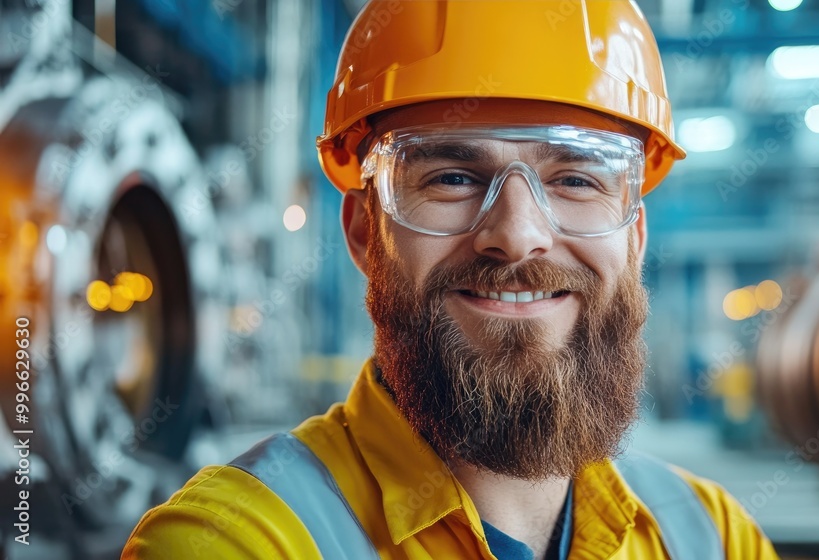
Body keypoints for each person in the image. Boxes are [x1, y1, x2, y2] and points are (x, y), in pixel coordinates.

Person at [123, 1, 780, 558]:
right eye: (452, 178)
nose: (518, 234)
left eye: (576, 180)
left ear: (634, 239)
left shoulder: (714, 537)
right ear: (363, 230)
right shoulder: (234, 542)